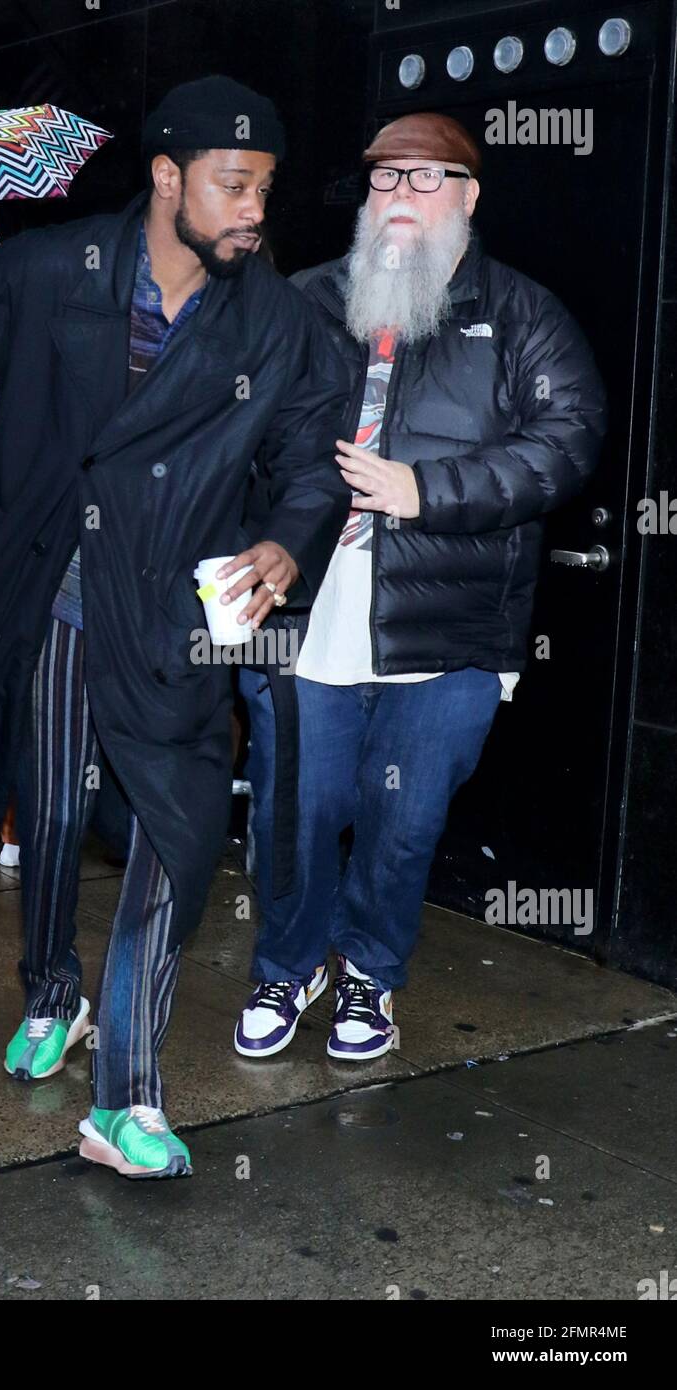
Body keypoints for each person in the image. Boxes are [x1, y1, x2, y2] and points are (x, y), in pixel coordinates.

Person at [0, 77, 349, 1179]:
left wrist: (286, 540)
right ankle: (51, 994)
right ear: (167, 180)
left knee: (177, 829)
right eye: (232, 184)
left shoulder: (278, 321)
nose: (254, 208)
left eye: (264, 186)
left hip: (177, 609)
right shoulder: (50, 272)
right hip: (55, 592)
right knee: (59, 811)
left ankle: (127, 1097)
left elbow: (310, 459)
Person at [235, 113, 607, 1062]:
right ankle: (288, 965)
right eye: (386, 181)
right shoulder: (305, 300)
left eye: (426, 180)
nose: (402, 197)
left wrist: (423, 489)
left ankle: (369, 975)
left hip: (450, 626)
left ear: (469, 199)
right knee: (296, 814)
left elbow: (568, 443)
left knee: (404, 826)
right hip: (305, 617)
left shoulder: (524, 316)